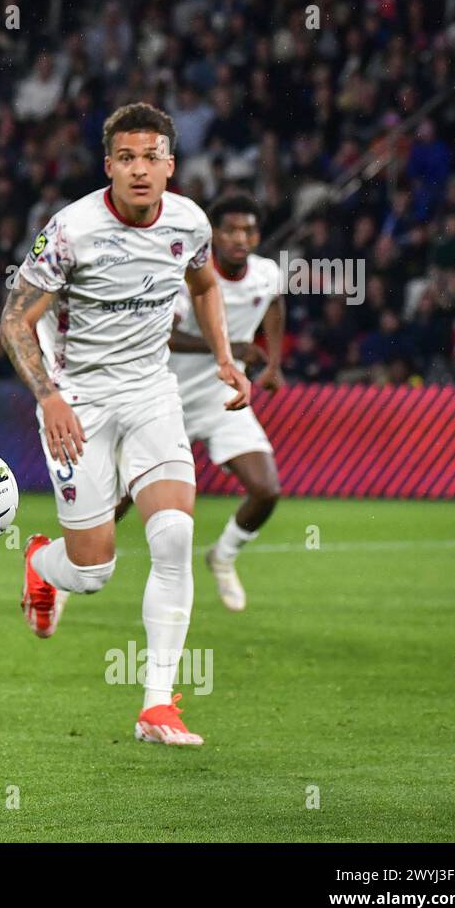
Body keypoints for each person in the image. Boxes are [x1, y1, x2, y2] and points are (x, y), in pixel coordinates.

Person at [0, 103, 249, 746]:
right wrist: (49, 397)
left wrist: (223, 356)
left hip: (151, 395)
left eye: (151, 158)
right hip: (77, 401)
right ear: (108, 165)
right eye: (127, 158)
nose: (140, 170)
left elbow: (204, 287)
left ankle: (157, 705)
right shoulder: (72, 230)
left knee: (173, 535)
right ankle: (42, 563)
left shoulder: (190, 222)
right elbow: (15, 320)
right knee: (92, 572)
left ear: (171, 165)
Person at [165, 192, 284, 610]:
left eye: (248, 230)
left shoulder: (266, 273)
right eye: (231, 230)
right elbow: (167, 336)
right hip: (169, 400)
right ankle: (74, 566)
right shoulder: (189, 277)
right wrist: (230, 349)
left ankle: (223, 555)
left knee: (266, 490)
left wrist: (274, 365)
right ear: (213, 234)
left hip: (225, 399)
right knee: (124, 499)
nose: (240, 238)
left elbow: (274, 303)